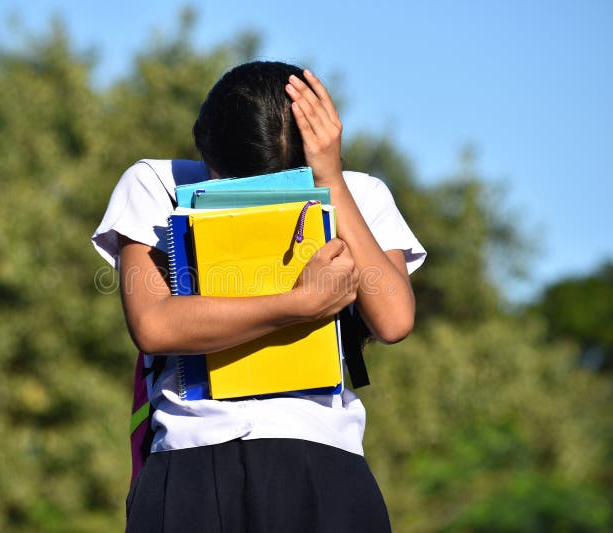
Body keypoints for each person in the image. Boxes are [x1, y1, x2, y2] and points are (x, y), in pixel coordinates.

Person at [91, 61, 426, 533]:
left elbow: (393, 319)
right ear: (203, 148)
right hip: (192, 460)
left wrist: (329, 178)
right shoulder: (156, 184)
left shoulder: (361, 196)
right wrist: (299, 305)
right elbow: (154, 325)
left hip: (321, 462)